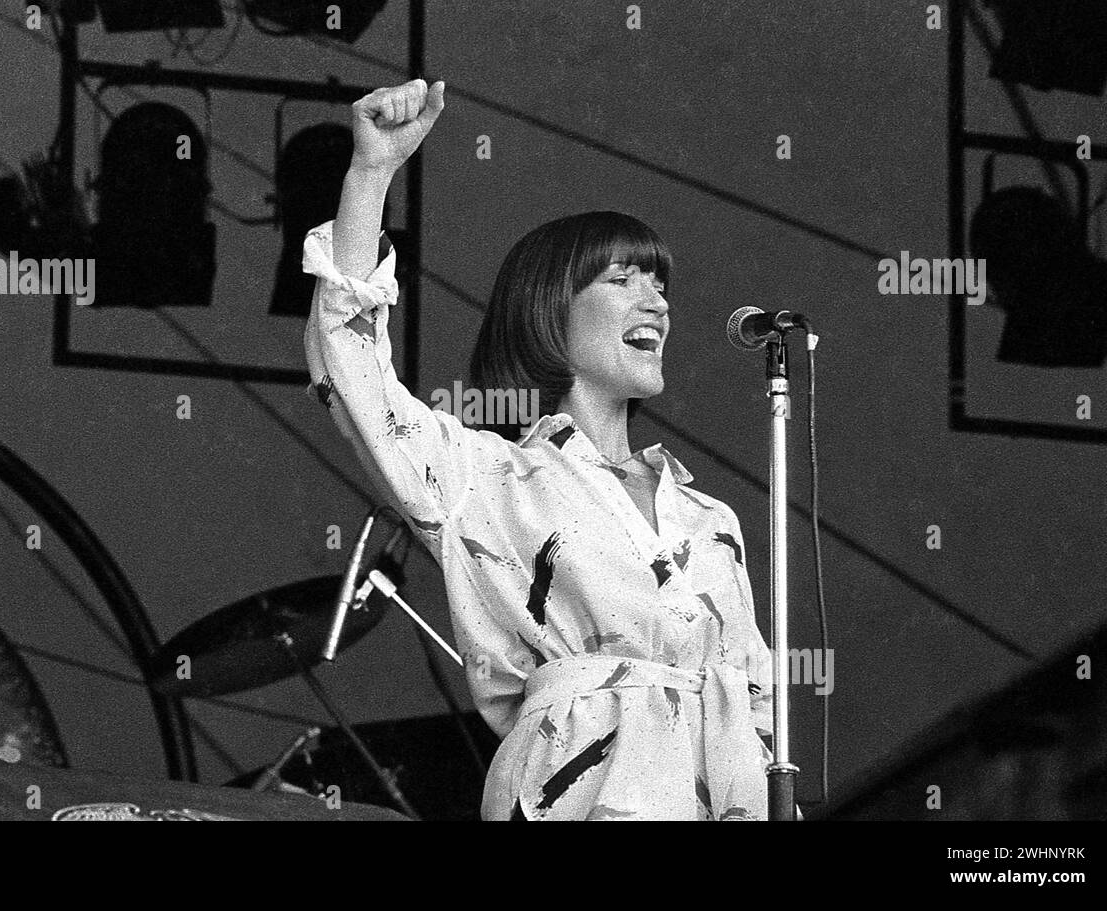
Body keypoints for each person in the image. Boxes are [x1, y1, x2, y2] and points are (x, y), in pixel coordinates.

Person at [303, 78, 777, 820]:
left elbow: (759, 709)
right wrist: (371, 177)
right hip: (574, 791)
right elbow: (353, 374)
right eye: (623, 278)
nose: (657, 300)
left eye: (660, 285)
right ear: (551, 311)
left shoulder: (709, 517)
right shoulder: (490, 479)